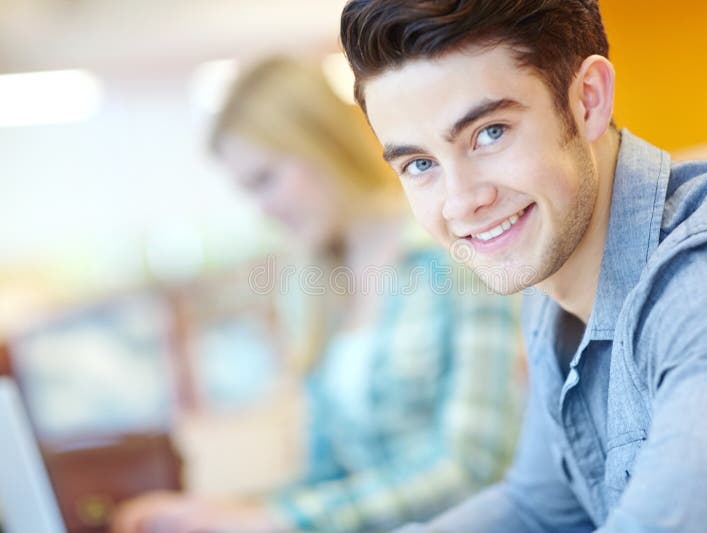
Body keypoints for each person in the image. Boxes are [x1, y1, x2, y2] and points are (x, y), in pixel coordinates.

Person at [337, 0, 707, 531]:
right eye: (420, 165)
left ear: (587, 99)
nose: (460, 201)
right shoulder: (549, 277)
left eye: (490, 132)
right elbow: (538, 510)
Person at [110, 56, 523, 533]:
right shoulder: (315, 288)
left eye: (266, 179)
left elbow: (471, 468)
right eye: (248, 191)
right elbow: (330, 476)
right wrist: (214, 515)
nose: (263, 210)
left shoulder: (453, 254)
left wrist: (273, 519)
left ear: (319, 144)